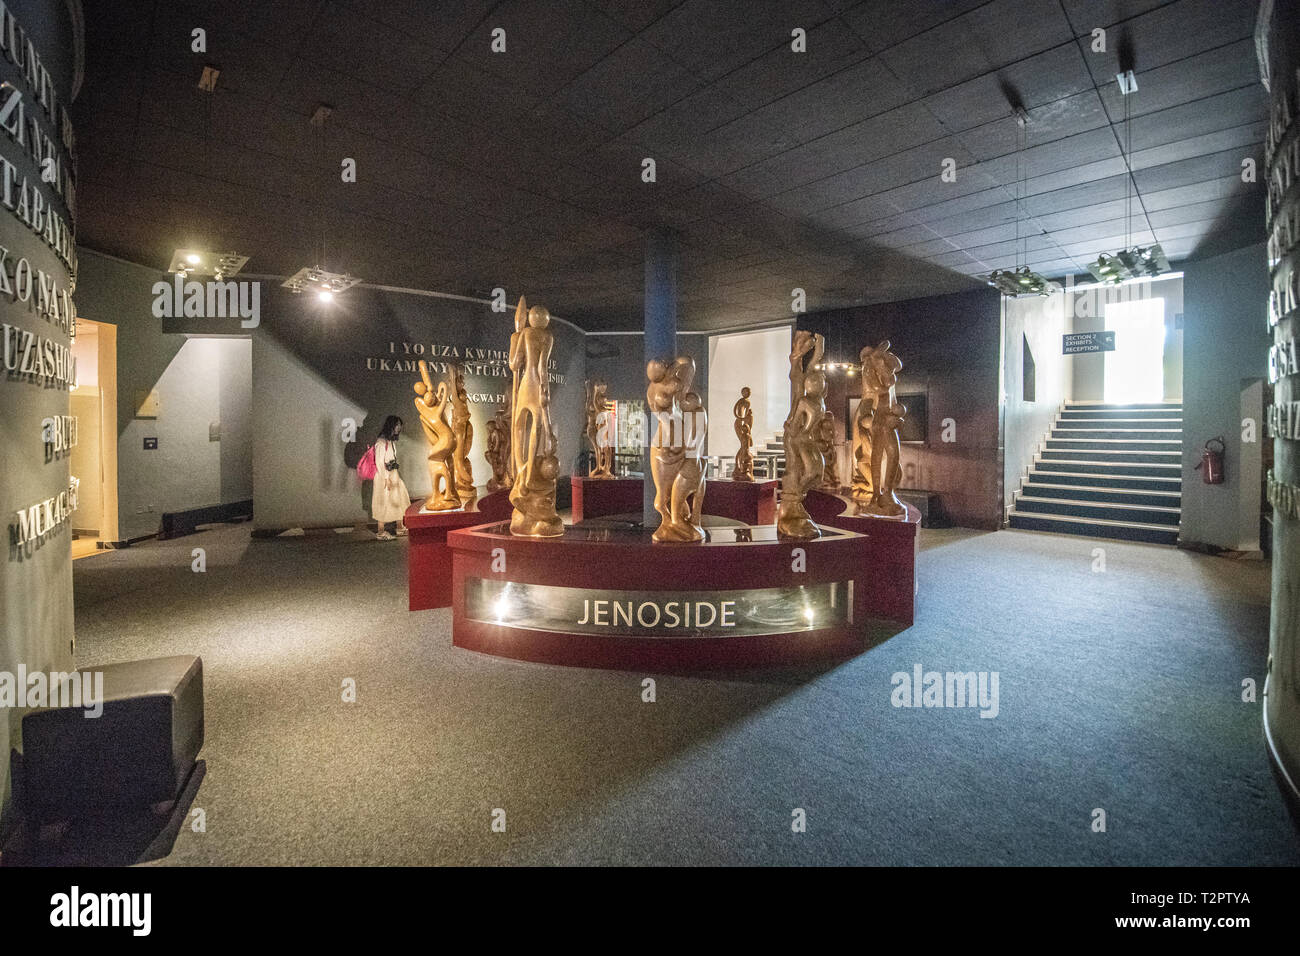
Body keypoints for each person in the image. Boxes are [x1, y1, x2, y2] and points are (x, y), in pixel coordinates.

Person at [371, 415, 411, 540]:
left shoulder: (391, 441)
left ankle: (400, 527)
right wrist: (386, 478)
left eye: (400, 425)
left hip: (393, 475)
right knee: (383, 502)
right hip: (385, 477)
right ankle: (381, 532)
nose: (399, 428)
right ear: (391, 425)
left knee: (399, 500)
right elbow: (379, 462)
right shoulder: (381, 442)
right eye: (397, 425)